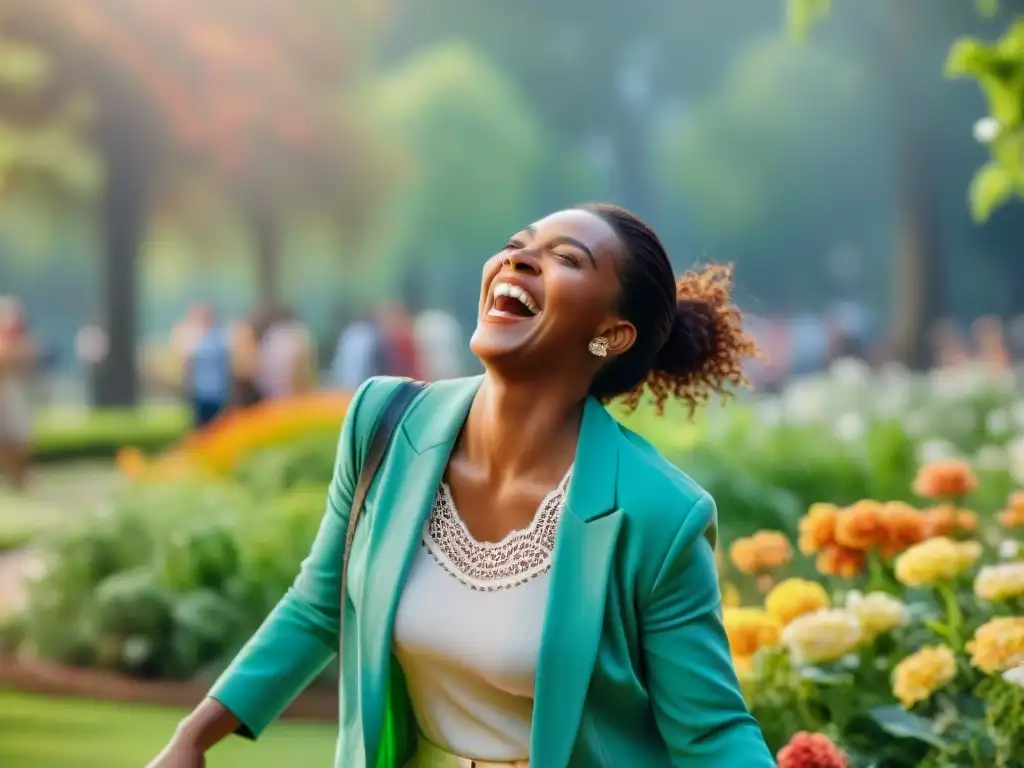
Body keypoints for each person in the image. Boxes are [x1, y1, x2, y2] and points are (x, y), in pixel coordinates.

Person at [147, 204, 773, 768]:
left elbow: (712, 733)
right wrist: (192, 738)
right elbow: (318, 606)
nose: (520, 258)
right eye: (518, 243)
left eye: (565, 259)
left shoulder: (659, 512)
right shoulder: (384, 425)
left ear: (610, 335)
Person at [0, 298, 36, 491]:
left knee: (19, 441)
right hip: (5, 396)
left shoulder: (21, 344)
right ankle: (17, 478)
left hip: (12, 395)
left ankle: (20, 478)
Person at [180, 304, 232, 428]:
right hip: (214, 394)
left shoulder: (198, 341)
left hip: (205, 394)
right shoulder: (220, 338)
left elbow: (188, 368)